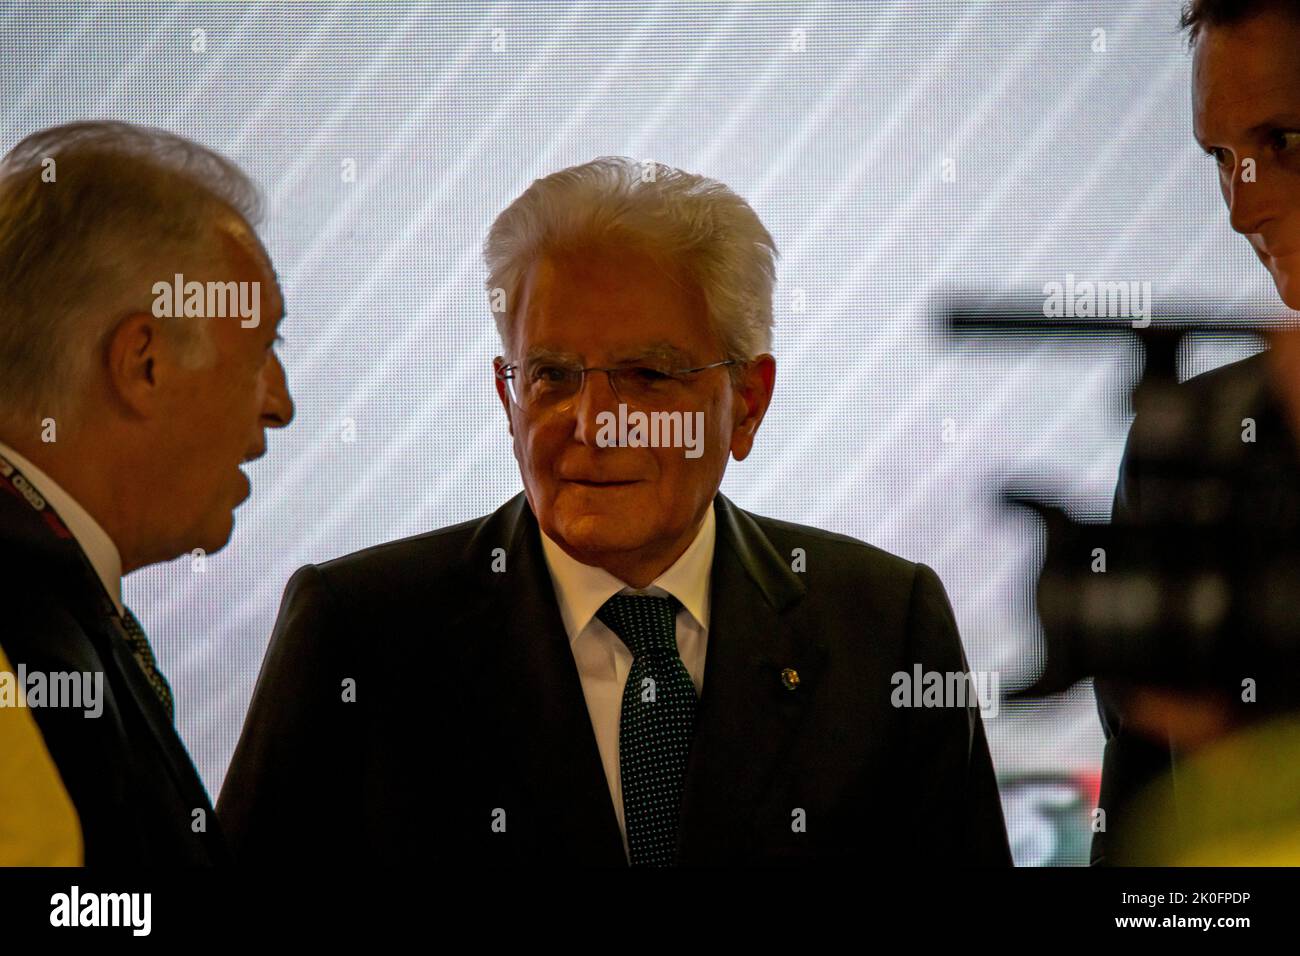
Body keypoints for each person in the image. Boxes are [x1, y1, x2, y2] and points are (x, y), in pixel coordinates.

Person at [220, 157, 1010, 866]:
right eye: (554, 375)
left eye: (646, 375)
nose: (594, 420)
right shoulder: (360, 632)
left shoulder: (884, 625)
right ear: (508, 397)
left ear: (748, 402)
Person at [0, 121, 293, 864]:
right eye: (262, 353)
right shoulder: (23, 650)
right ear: (145, 362)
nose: (280, 404)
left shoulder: (54, 612)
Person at [1094, 0, 1300, 864]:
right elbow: (1143, 815)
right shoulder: (1195, 442)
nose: (1242, 210)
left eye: (1286, 143)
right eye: (1223, 160)